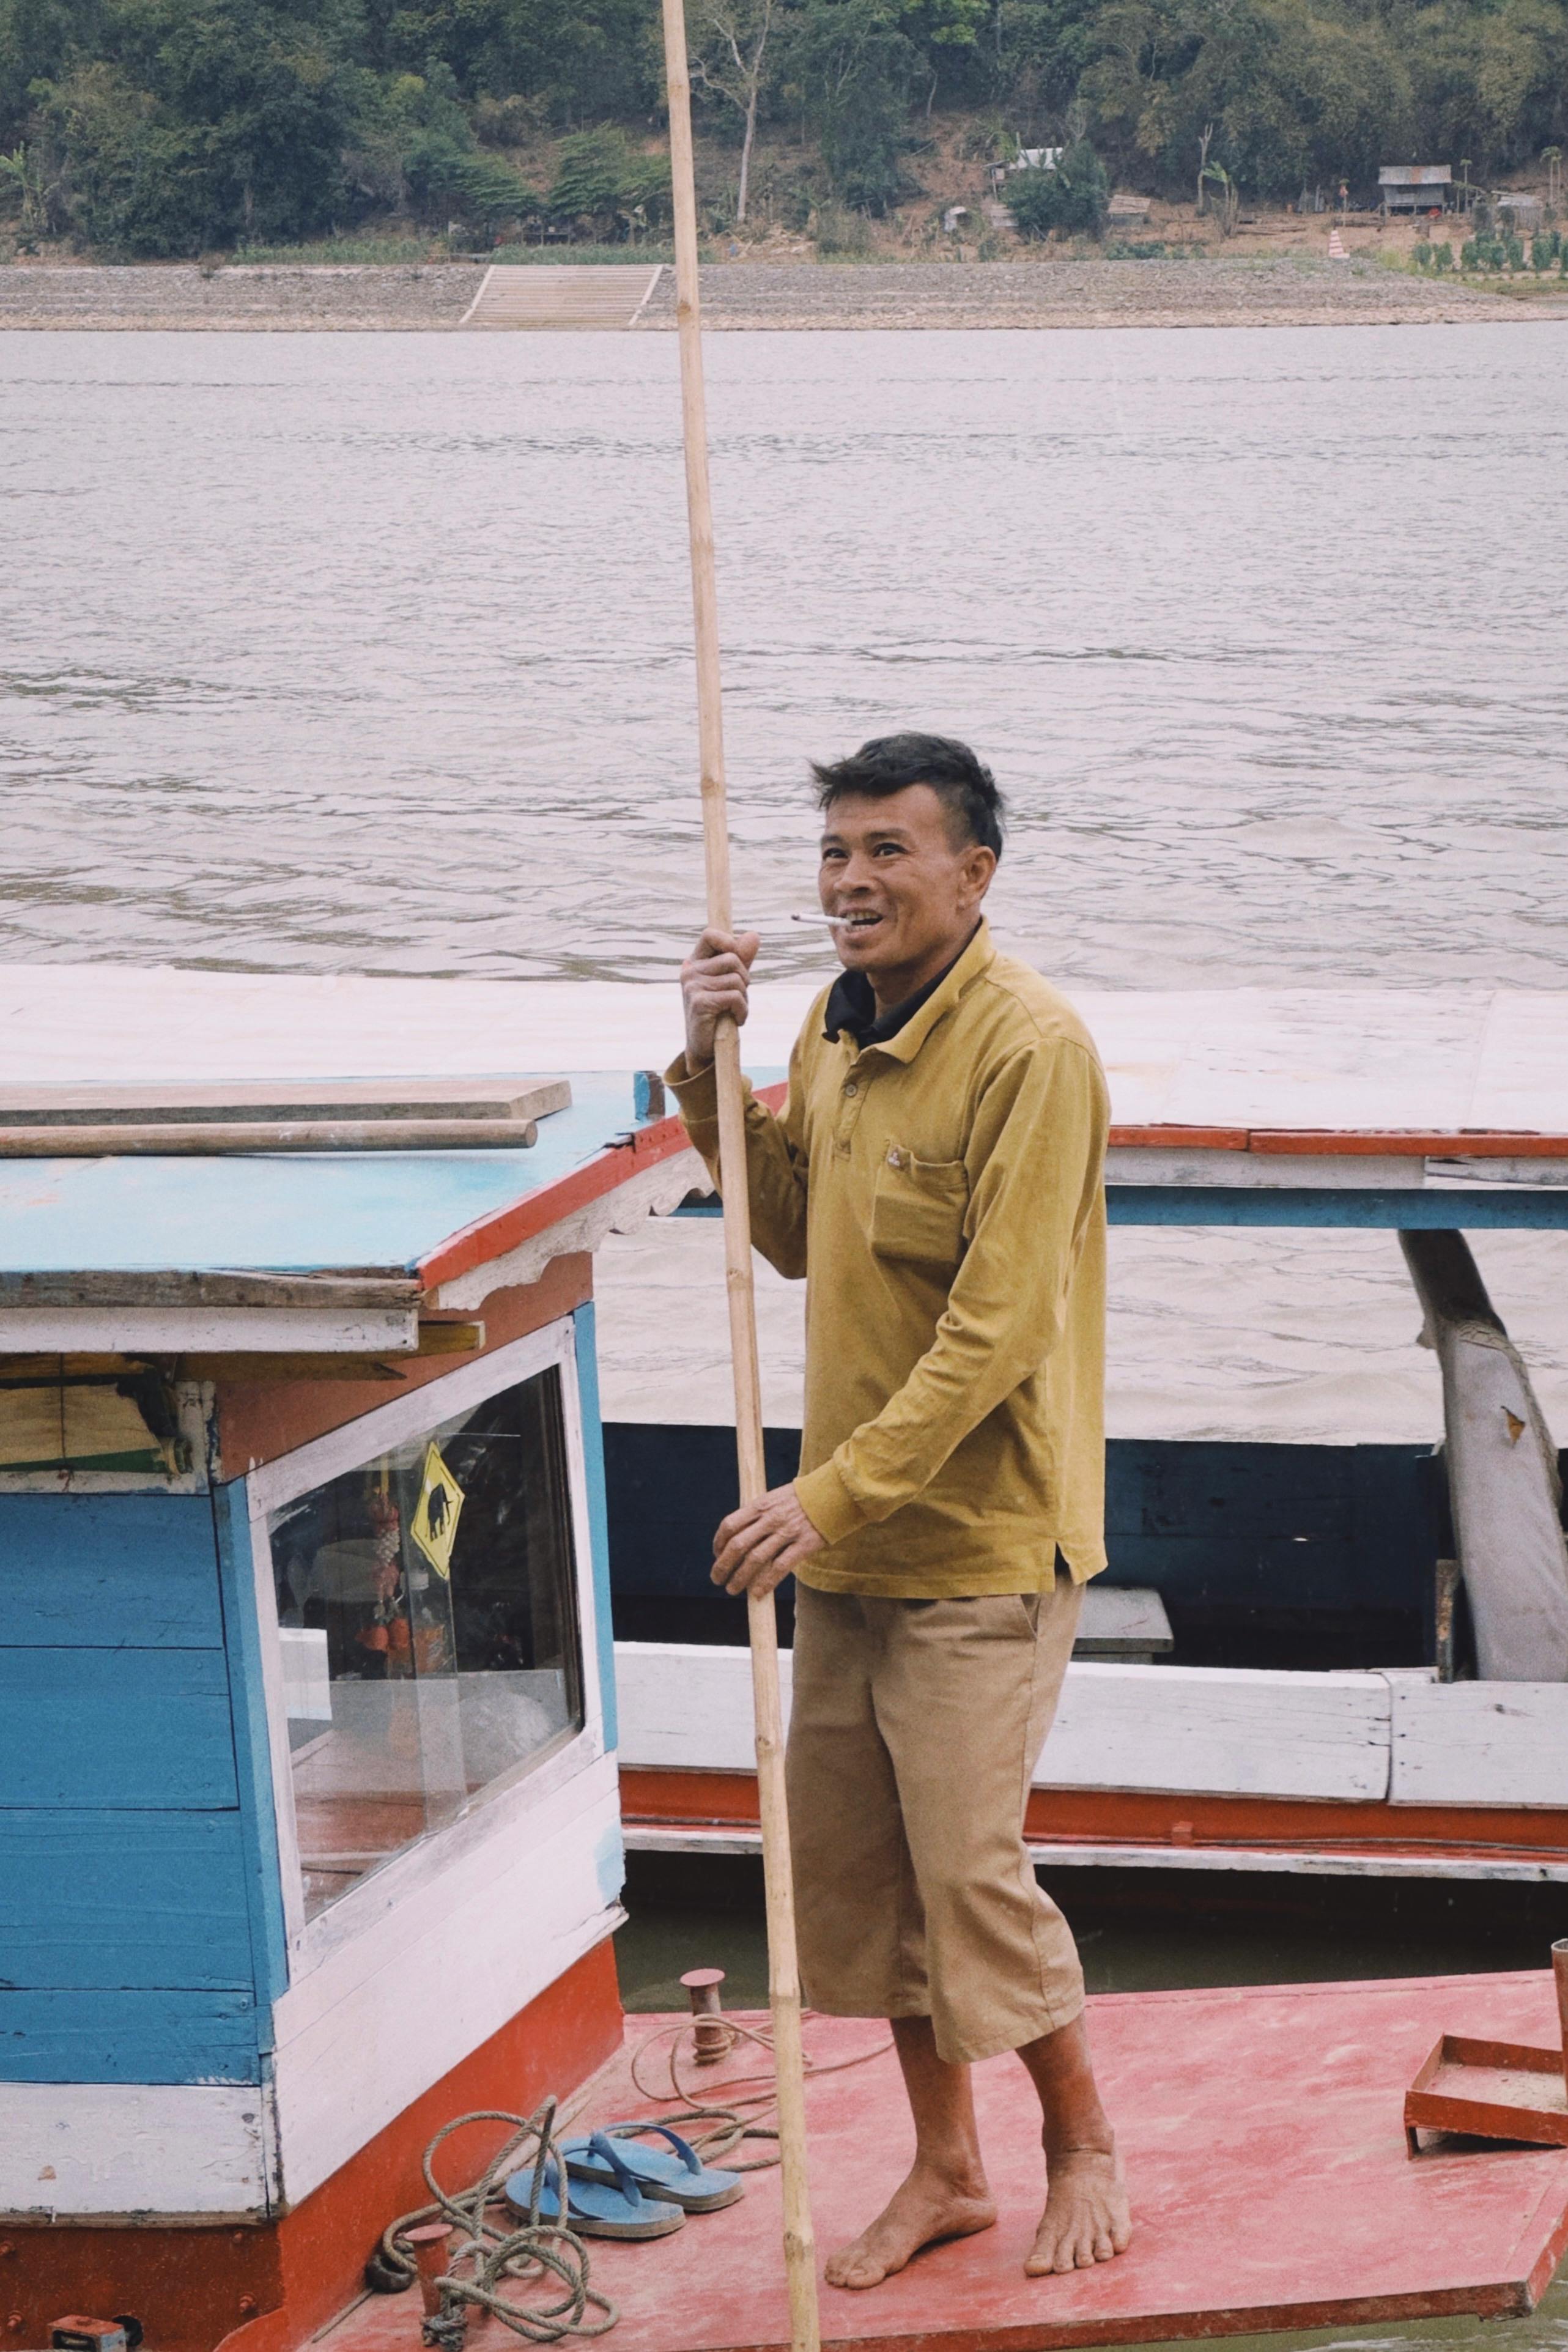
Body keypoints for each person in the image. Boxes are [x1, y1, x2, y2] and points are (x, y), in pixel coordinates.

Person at [667, 732, 1130, 2290]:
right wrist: (705, 1059)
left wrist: (825, 1493)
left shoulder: (1032, 1049)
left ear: (972, 873)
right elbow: (788, 1233)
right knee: (860, 1873)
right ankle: (945, 2168)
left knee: (970, 1867)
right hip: (847, 1537)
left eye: (886, 853)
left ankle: (1080, 2142)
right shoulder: (833, 1021)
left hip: (980, 1543)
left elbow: (995, 1336)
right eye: (835, 854)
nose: (849, 883)